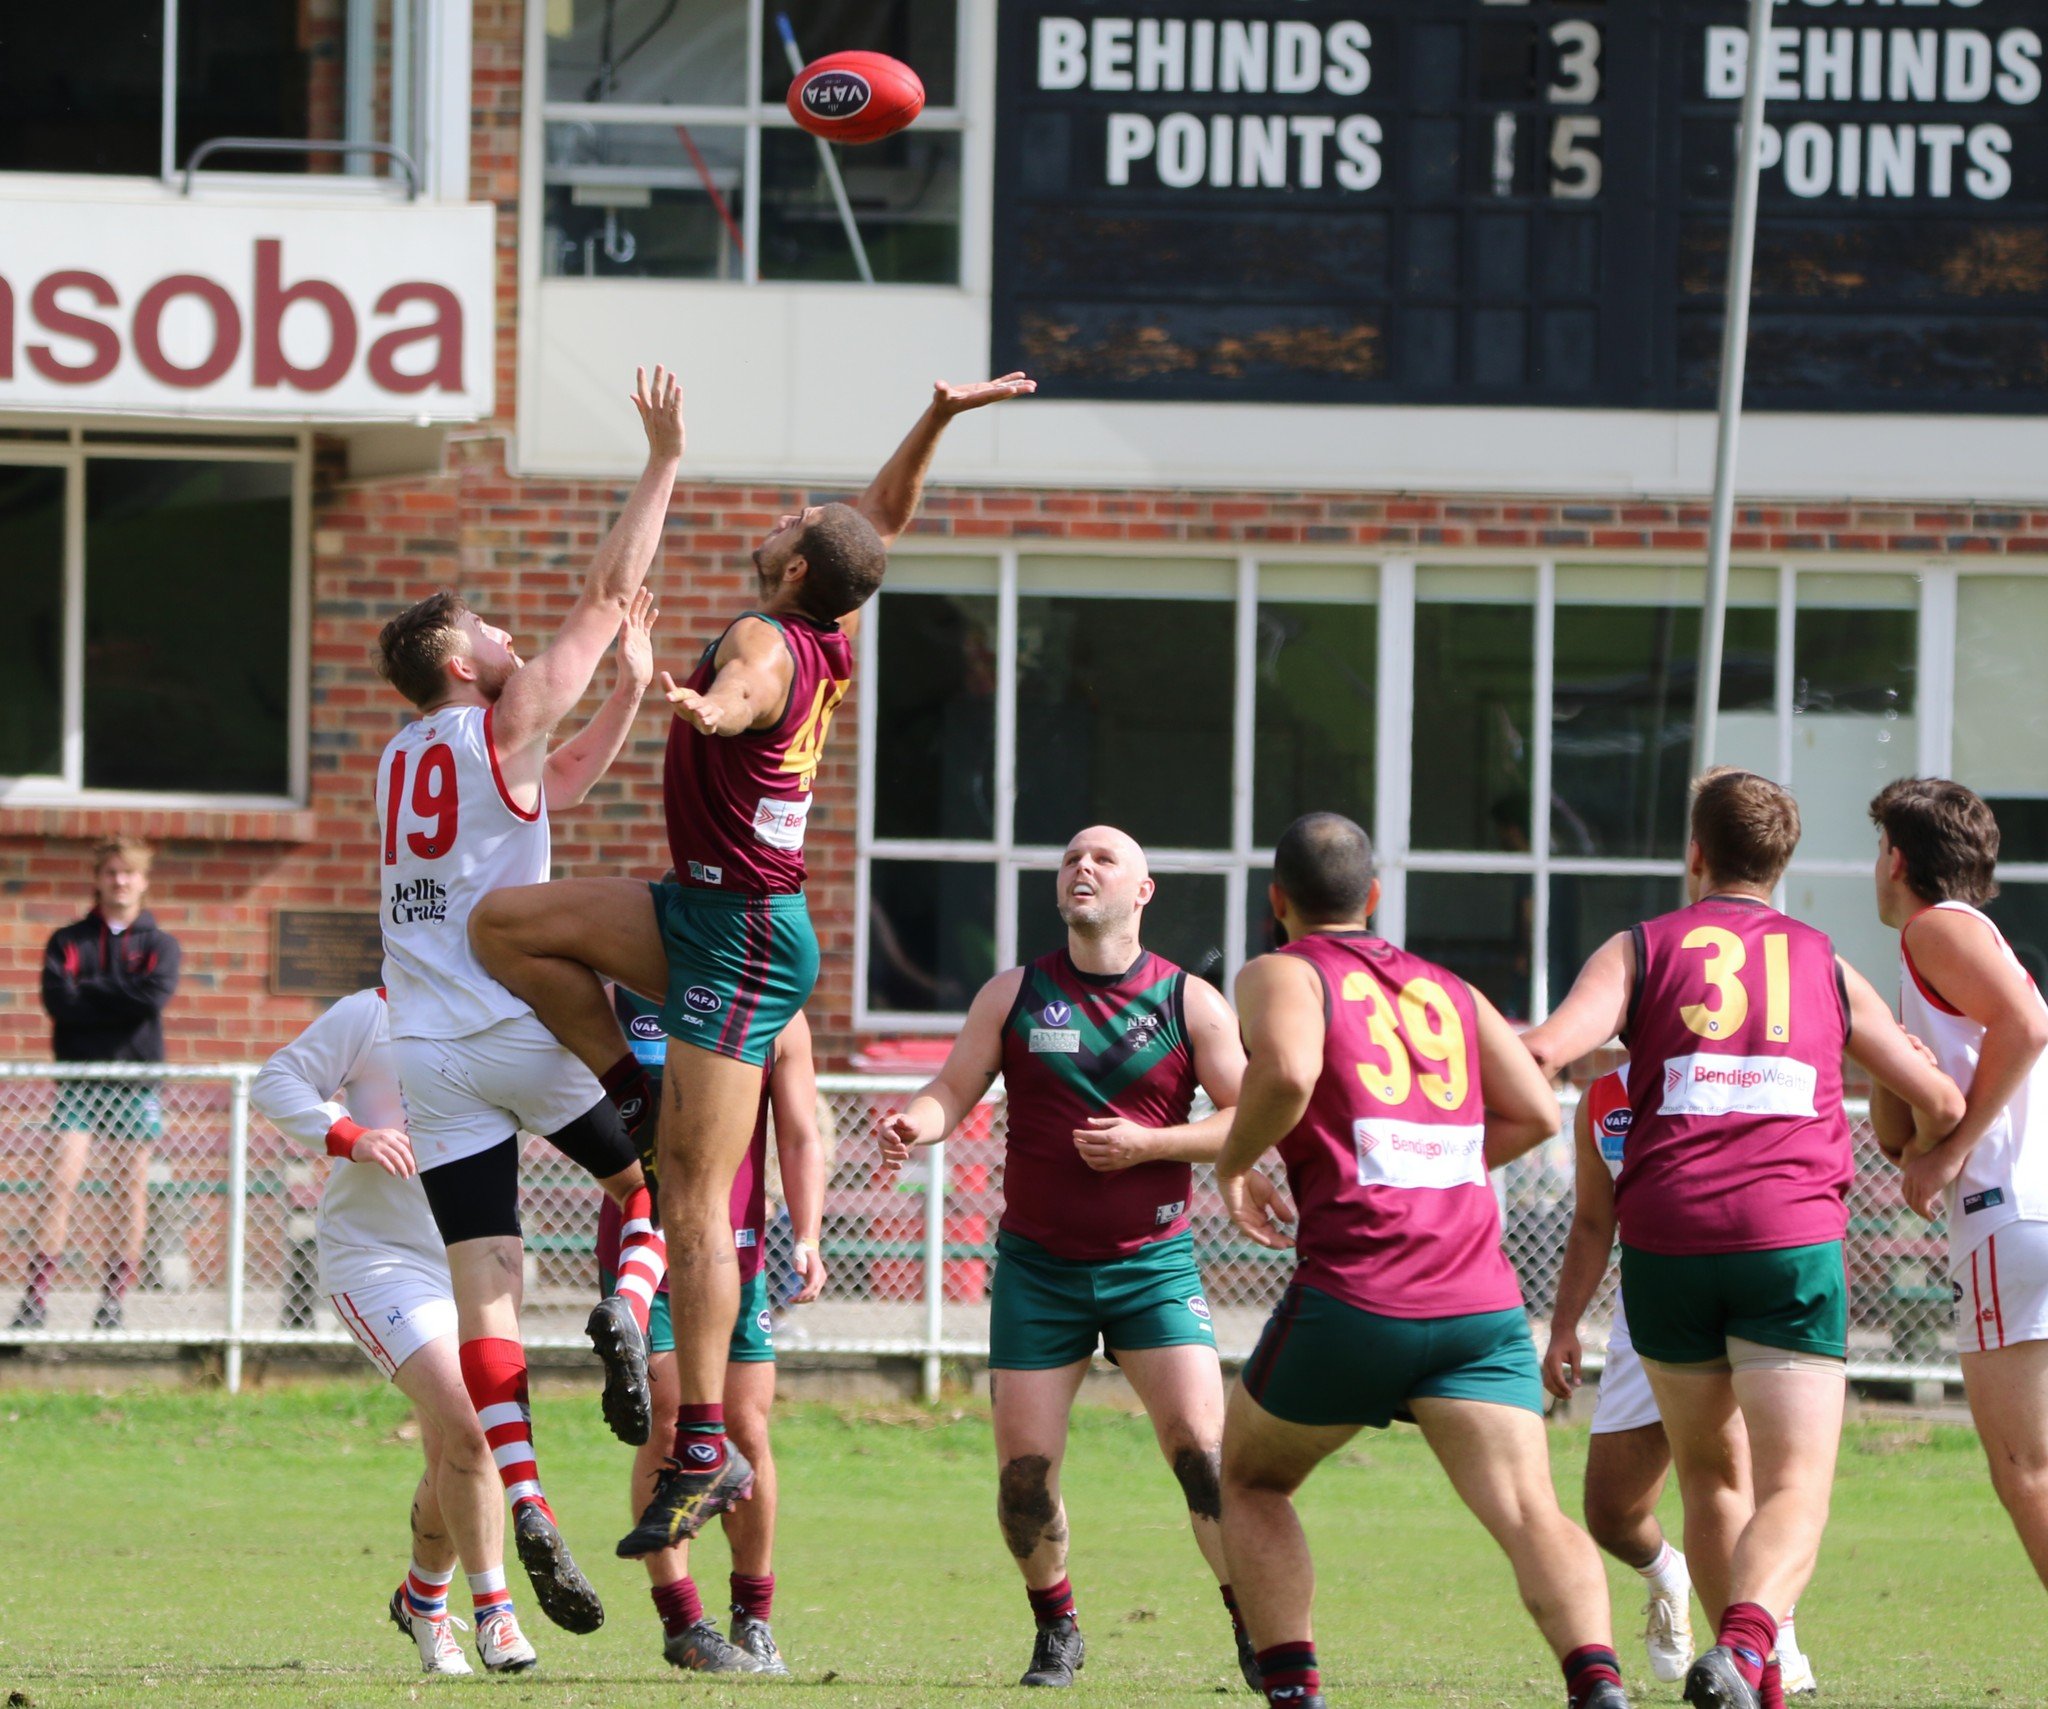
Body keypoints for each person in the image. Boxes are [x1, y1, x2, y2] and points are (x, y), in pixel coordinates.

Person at [465, 371, 1036, 1554]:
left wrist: (707, 706)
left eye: (791, 520)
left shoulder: (767, 639)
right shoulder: (831, 620)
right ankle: (628, 1090)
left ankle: (704, 1445)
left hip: (741, 936)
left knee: (689, 1200)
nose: (779, 517)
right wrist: (935, 415)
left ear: (792, 569)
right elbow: (879, 522)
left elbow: (744, 692)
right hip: (706, 908)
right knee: (504, 925)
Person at [1521, 769, 1964, 1709]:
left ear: (1696, 853)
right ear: (1784, 862)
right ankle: (1749, 1644)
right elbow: (1937, 1097)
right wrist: (1919, 1146)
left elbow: (1548, 1050)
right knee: (1794, 1487)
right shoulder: (1824, 962)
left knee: (1712, 1480)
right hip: (1785, 1237)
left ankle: (1747, 1684)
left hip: (1668, 1239)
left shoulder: (1639, 948)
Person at [373, 363, 686, 1634]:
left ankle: (526, 1495)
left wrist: (627, 693)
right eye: (492, 629)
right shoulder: (487, 722)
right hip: (515, 1022)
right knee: (653, 1183)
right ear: (462, 659)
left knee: (487, 1286)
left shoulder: (402, 756)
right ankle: (627, 1302)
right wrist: (662, 461)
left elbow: (554, 786)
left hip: (426, 1047)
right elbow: (604, 597)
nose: (512, 637)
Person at [1216, 812, 1626, 1709]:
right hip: (1478, 1303)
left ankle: (1294, 1692)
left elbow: (1287, 1073)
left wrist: (1234, 1163)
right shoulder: (1448, 988)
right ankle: (1598, 1682)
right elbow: (1535, 1112)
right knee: (1530, 1510)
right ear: (1373, 895)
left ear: (1277, 901)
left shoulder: (1281, 970)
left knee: (1248, 1478)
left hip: (1358, 1292)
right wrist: (1434, 1167)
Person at [880, 825, 1274, 1691]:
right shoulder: (1014, 993)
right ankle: (1057, 1628)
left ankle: (1253, 1625)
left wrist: (1150, 1143)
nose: (1081, 868)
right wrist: (916, 1121)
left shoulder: (1190, 1001)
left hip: (1153, 1267)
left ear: (1143, 890)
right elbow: (952, 1089)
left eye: (1103, 859)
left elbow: (1249, 1116)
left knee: (1206, 1457)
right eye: (1070, 859)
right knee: (1023, 1480)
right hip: (1039, 1271)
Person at [251, 989, 539, 1677]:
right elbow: (276, 1080)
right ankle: (496, 1613)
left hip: (469, 1261)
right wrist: (350, 1134)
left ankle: (422, 1599)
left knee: (453, 1449)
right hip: (375, 1260)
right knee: (474, 1426)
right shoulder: (371, 1013)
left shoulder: (514, 1022)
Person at [1544, 1066, 1819, 1694]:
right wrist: (1564, 1325)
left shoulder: (1739, 1071)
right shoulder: (1603, 1099)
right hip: (1650, 1306)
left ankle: (1770, 1643)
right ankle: (1668, 1574)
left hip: (1746, 1296)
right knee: (1611, 1512)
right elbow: (1593, 1222)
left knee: (1735, 1479)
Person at [599, 996, 826, 1675]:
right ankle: (683, 1622)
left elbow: (799, 1134)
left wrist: (807, 1233)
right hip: (646, 1254)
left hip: (738, 1255)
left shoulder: (773, 1006)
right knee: (668, 1422)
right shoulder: (612, 1003)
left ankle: (753, 1617)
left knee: (747, 1430)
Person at [1868, 778, 2048, 1596]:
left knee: (2025, 1471)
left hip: (2007, 1211)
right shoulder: (1956, 942)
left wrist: (1950, 1156)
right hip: (2024, 1212)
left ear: (1897, 858)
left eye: (1879, 847)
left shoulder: (1935, 927)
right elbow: (1899, 1135)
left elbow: (2030, 1027)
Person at [13, 837, 181, 1333]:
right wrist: (119, 997)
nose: (120, 881)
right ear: (98, 879)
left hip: (135, 1080)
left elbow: (151, 999)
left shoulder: (161, 945)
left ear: (143, 880)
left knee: (129, 1189)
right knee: (59, 1182)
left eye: (128, 872)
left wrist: (90, 991)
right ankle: (36, 1299)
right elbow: (58, 1002)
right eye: (111, 872)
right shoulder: (68, 941)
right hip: (79, 1080)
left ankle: (112, 1302)